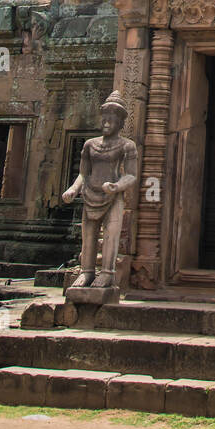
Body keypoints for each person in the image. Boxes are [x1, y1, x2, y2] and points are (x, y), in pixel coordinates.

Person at [62, 90, 137, 289]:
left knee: (111, 234)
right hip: (90, 193)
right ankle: (86, 272)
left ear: (120, 123)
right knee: (88, 236)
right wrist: (73, 189)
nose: (106, 123)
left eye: (111, 120)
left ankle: (107, 273)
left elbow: (131, 175)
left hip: (113, 196)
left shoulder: (127, 145)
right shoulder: (90, 145)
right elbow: (83, 174)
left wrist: (117, 186)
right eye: (104, 119)